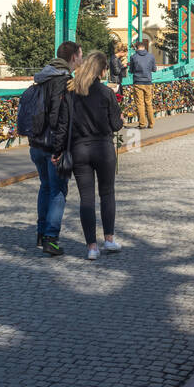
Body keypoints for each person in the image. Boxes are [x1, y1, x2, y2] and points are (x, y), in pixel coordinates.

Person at [68, 50, 125, 260]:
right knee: (107, 193)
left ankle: (91, 247)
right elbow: (116, 125)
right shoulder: (106, 93)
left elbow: (66, 123)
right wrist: (120, 118)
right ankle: (109, 240)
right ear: (102, 70)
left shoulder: (73, 92)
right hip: (103, 149)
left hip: (79, 150)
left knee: (86, 198)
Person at [29, 41, 81, 256]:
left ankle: (41, 235)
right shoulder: (64, 82)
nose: (81, 59)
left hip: (36, 144)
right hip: (53, 146)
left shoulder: (41, 77)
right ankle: (51, 238)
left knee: (45, 187)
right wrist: (59, 150)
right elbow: (60, 119)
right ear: (73, 58)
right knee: (58, 191)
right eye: (80, 55)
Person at [129, 39, 157, 128]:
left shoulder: (133, 57)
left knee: (140, 103)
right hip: (148, 82)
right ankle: (151, 123)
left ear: (137, 48)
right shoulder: (151, 56)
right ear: (144, 47)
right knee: (148, 103)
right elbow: (154, 69)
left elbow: (131, 70)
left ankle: (142, 124)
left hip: (138, 82)